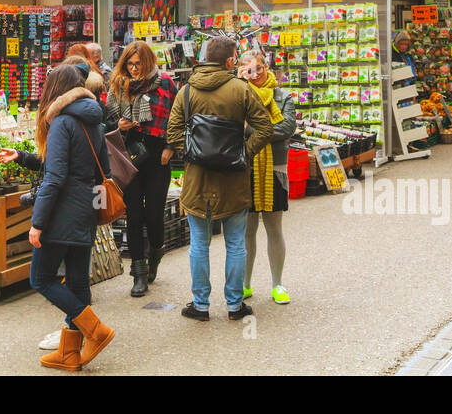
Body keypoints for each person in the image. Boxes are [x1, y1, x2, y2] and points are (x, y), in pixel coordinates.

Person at [166, 36, 272, 321]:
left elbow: (173, 133)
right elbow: (265, 129)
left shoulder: (186, 92)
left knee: (199, 243)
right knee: (235, 243)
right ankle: (235, 306)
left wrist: (195, 154)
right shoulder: (242, 90)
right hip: (234, 180)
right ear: (228, 61)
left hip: (197, 181)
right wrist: (243, 153)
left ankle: (200, 305)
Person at [25, 62, 115, 371]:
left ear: (55, 90)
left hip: (62, 211)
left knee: (42, 278)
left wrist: (37, 223)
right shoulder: (93, 120)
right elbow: (104, 167)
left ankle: (96, 331)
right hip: (86, 207)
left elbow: (55, 178)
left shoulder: (62, 122)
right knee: (77, 281)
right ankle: (69, 353)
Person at [104, 40, 178, 297]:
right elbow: (105, 122)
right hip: (129, 155)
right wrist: (118, 126)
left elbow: (177, 117)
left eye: (138, 64)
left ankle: (156, 251)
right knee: (133, 215)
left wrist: (171, 147)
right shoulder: (116, 85)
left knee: (154, 214)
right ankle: (138, 272)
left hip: (158, 155)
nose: (134, 70)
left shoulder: (166, 83)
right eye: (129, 64)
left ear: (148, 63)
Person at [237, 49, 296, 304]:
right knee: (246, 231)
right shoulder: (237, 95)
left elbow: (288, 127)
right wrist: (263, 131)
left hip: (275, 169)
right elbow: (231, 127)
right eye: (249, 69)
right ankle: (245, 285)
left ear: (266, 67)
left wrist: (253, 130)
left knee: (274, 229)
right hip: (245, 168)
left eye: (259, 68)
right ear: (241, 71)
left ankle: (277, 284)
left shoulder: (282, 96)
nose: (256, 73)